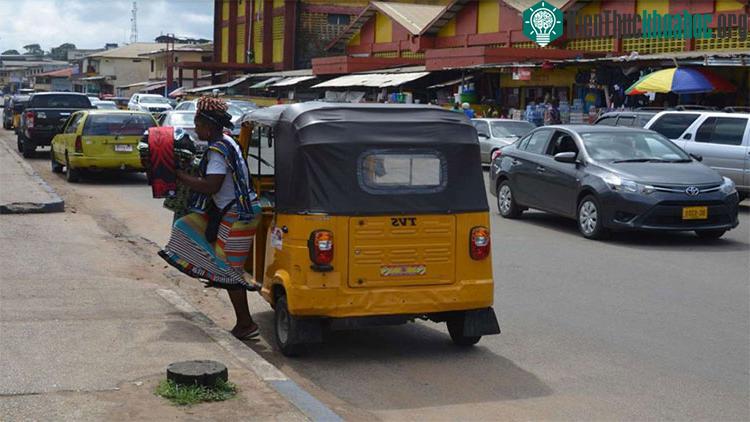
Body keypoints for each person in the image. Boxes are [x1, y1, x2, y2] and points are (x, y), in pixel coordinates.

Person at [159, 96, 263, 341]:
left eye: (197, 124)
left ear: (208, 125)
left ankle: (246, 324)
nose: (195, 129)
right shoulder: (227, 141)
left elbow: (211, 186)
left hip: (239, 215)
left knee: (229, 270)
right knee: (186, 226)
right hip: (234, 212)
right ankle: (217, 278)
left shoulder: (217, 150)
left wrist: (180, 176)